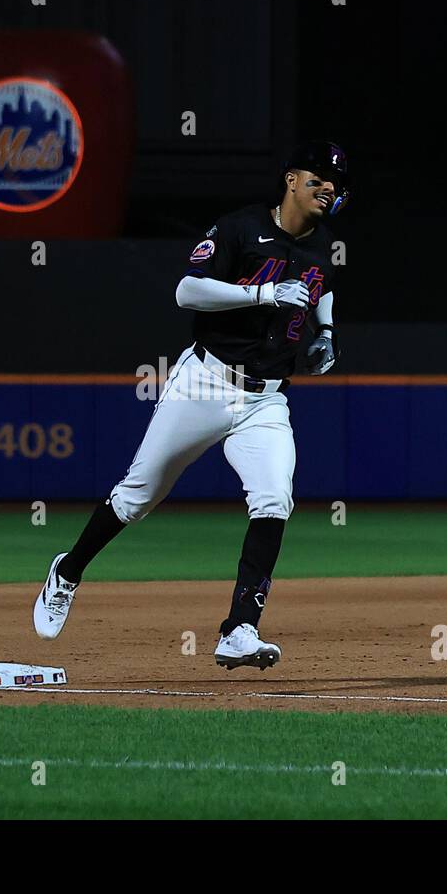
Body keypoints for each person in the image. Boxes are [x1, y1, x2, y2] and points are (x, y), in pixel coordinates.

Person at [31, 141, 347, 669]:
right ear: (292, 179)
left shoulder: (325, 247)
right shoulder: (241, 229)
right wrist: (264, 295)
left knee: (274, 500)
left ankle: (240, 628)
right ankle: (67, 571)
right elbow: (187, 291)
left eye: (335, 186)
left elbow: (321, 289)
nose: (328, 190)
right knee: (138, 495)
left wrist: (328, 335)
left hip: (266, 399)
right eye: (319, 180)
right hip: (205, 381)